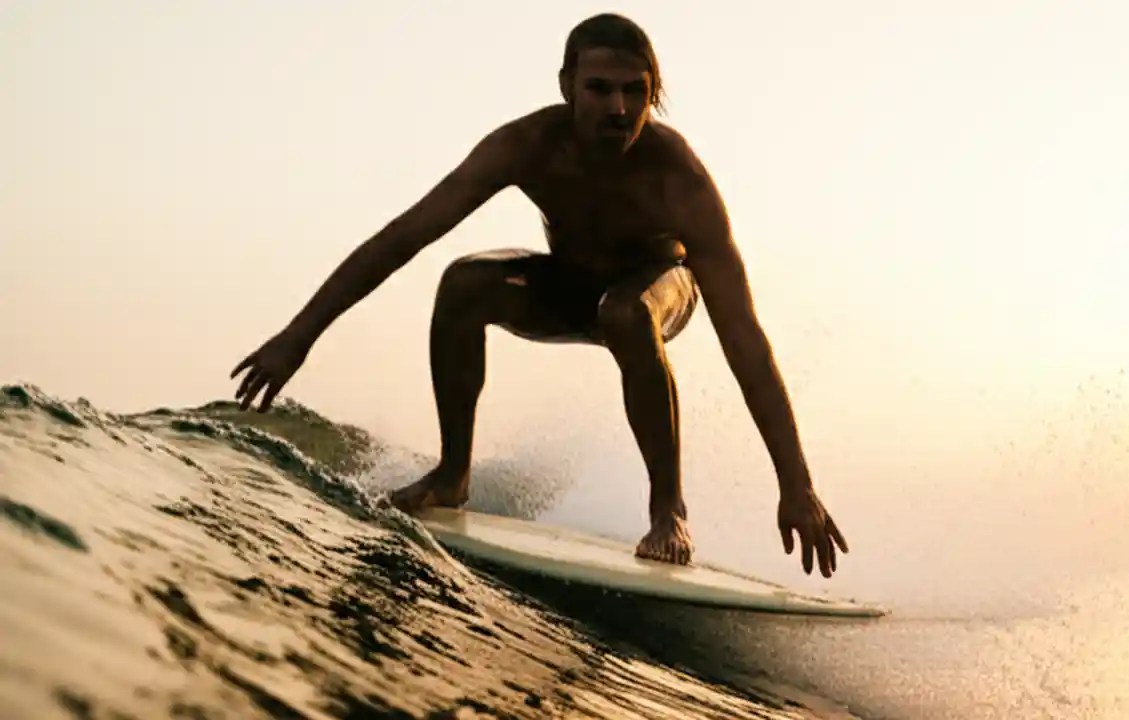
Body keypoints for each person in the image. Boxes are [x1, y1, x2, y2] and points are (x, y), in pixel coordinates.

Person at [231, 13, 849, 577]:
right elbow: (406, 234)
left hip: (657, 291)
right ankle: (453, 474)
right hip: (569, 286)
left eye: (635, 90)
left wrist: (796, 484)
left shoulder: (677, 179)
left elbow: (743, 336)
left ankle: (669, 510)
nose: (618, 106)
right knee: (464, 282)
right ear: (566, 85)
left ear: (653, 94)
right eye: (600, 88)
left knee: (627, 313)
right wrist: (298, 335)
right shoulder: (526, 145)